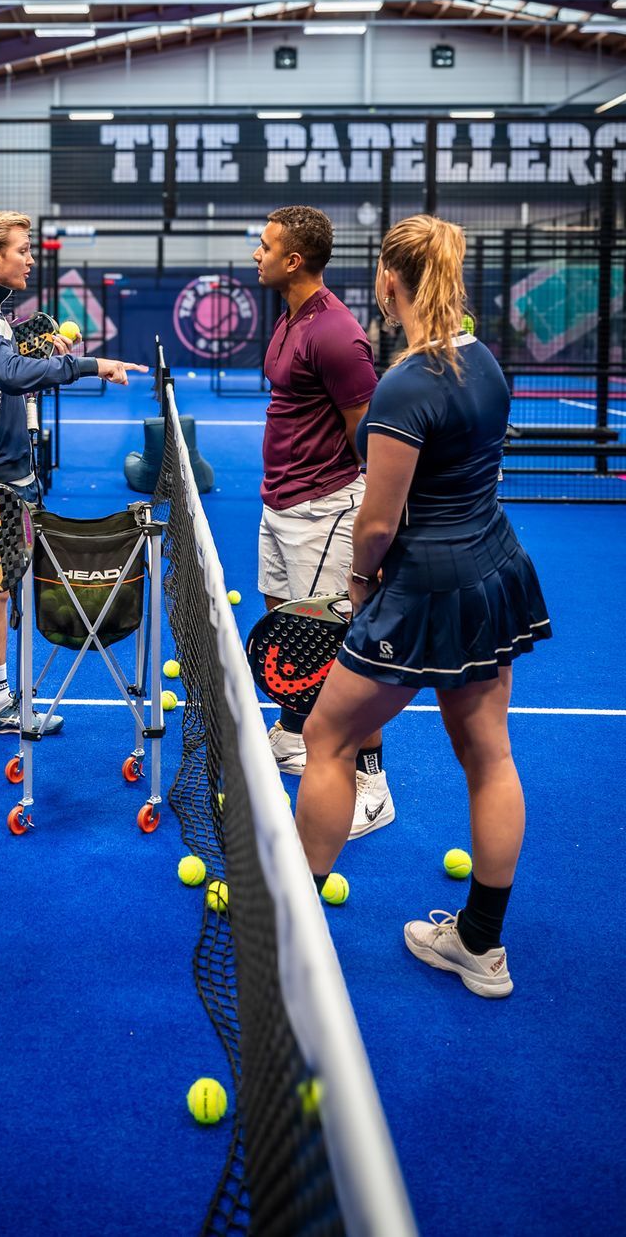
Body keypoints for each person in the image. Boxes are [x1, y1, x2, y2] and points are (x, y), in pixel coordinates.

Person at [295, 214, 551, 998]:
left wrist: (363, 582)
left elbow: (377, 522)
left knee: (327, 735)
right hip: (493, 567)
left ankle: (290, 931)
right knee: (489, 753)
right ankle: (480, 943)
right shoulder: (486, 363)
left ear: (389, 280)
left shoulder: (407, 381)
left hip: (426, 586)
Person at [0, 210, 146, 778]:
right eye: (22, 249)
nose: (30, 258)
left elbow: (11, 356)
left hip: (12, 470)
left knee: (0, 595)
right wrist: (89, 364)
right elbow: (8, 371)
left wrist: (39, 342)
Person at [252, 205, 394, 839]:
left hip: (324, 509)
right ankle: (292, 733)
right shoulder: (289, 317)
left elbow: (367, 436)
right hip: (278, 503)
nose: (256, 256)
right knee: (283, 622)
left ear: (294, 260)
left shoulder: (337, 332)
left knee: (338, 652)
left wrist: (373, 525)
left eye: (265, 247)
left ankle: (372, 783)